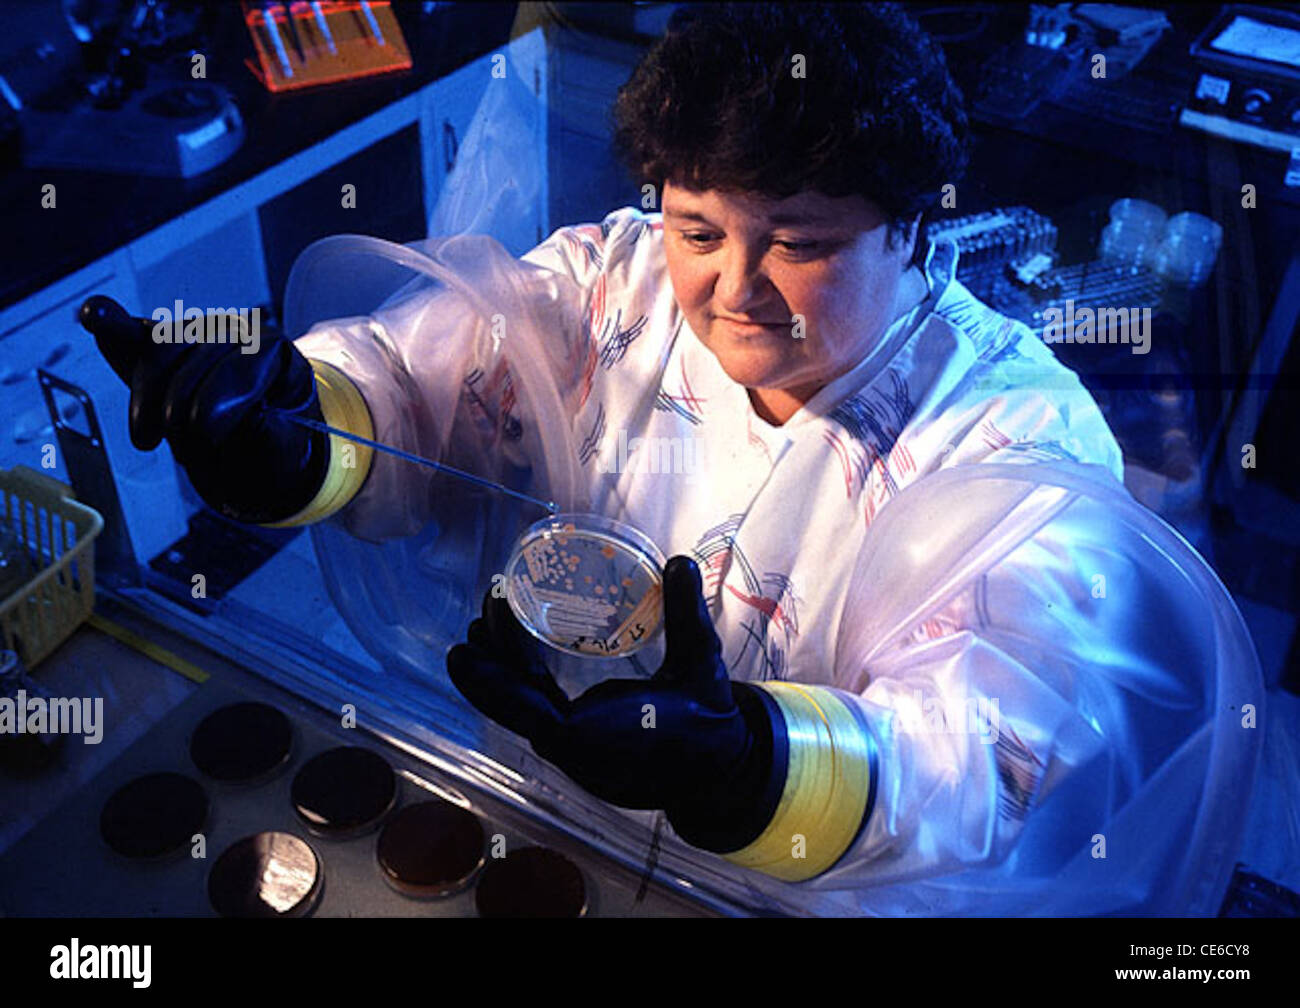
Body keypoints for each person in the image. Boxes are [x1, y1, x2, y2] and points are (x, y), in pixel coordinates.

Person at [80, 3, 1259, 914]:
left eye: (797, 245)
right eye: (700, 229)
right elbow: (426, 377)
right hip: (539, 806)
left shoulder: (1012, 438)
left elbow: (1001, 745)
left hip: (785, 882)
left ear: (911, 225)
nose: (731, 289)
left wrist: (751, 768)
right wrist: (293, 430)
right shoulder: (617, 283)